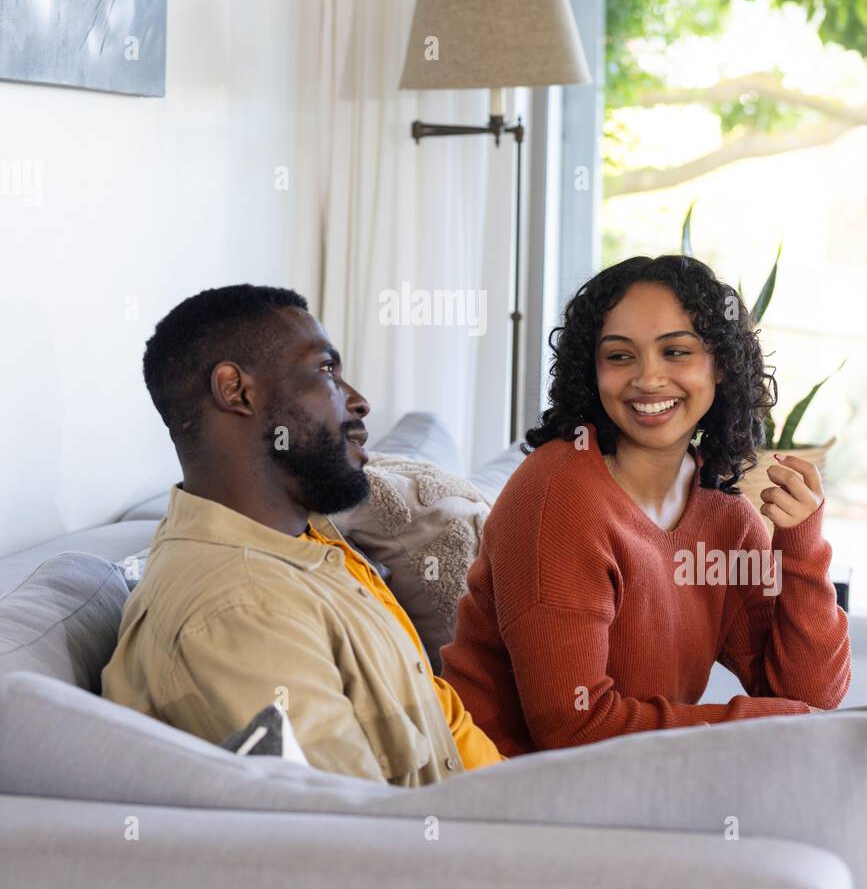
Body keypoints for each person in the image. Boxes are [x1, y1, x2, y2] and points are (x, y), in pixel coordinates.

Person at [440, 255, 851, 754]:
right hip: (501, 785)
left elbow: (810, 696)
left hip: (634, 780)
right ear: (592, 371)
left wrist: (801, 546)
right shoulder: (559, 494)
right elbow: (571, 727)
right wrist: (772, 720)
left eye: (676, 352)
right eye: (619, 356)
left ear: (720, 364)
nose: (648, 379)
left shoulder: (724, 516)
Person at [101, 284, 503, 785]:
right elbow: (350, 835)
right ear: (236, 390)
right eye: (327, 371)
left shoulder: (305, 545)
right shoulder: (242, 610)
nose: (359, 401)